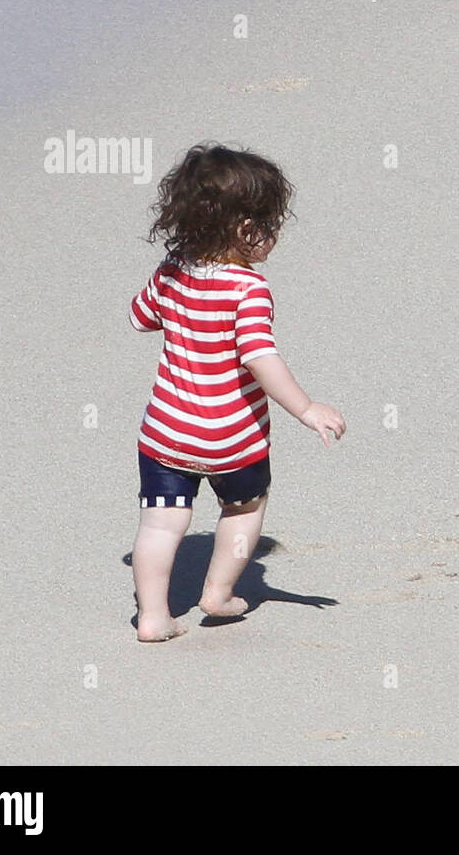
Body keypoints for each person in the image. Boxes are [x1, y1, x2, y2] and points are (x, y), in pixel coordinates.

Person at [129, 143, 346, 641]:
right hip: (234, 437)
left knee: (161, 526)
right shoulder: (248, 290)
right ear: (246, 230)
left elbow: (139, 318)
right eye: (268, 225)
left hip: (165, 433)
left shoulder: (171, 270)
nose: (273, 236)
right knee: (244, 508)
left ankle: (153, 616)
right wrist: (306, 408)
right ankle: (219, 593)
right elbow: (259, 356)